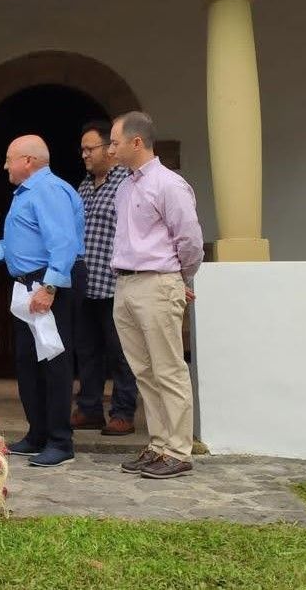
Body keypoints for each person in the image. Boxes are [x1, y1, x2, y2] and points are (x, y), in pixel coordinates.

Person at [0, 135, 85, 468]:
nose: (4, 165)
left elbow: (64, 243)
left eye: (9, 158)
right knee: (29, 361)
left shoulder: (48, 190)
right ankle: (38, 433)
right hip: (30, 284)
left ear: (28, 161)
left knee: (54, 360)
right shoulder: (28, 192)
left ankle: (60, 440)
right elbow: (23, 242)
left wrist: (50, 287)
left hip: (49, 282)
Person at [108, 111, 204, 479]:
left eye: (115, 142)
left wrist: (180, 278)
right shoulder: (125, 186)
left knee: (168, 368)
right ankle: (159, 443)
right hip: (127, 283)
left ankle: (179, 450)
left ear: (137, 142)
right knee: (143, 371)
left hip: (158, 281)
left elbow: (190, 240)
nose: (110, 148)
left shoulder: (168, 184)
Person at [73, 120, 138, 435]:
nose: (84, 154)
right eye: (82, 149)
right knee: (87, 353)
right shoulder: (83, 186)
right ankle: (90, 409)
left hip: (115, 285)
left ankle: (123, 413)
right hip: (85, 285)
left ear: (110, 150)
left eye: (90, 148)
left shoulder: (127, 183)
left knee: (121, 353)